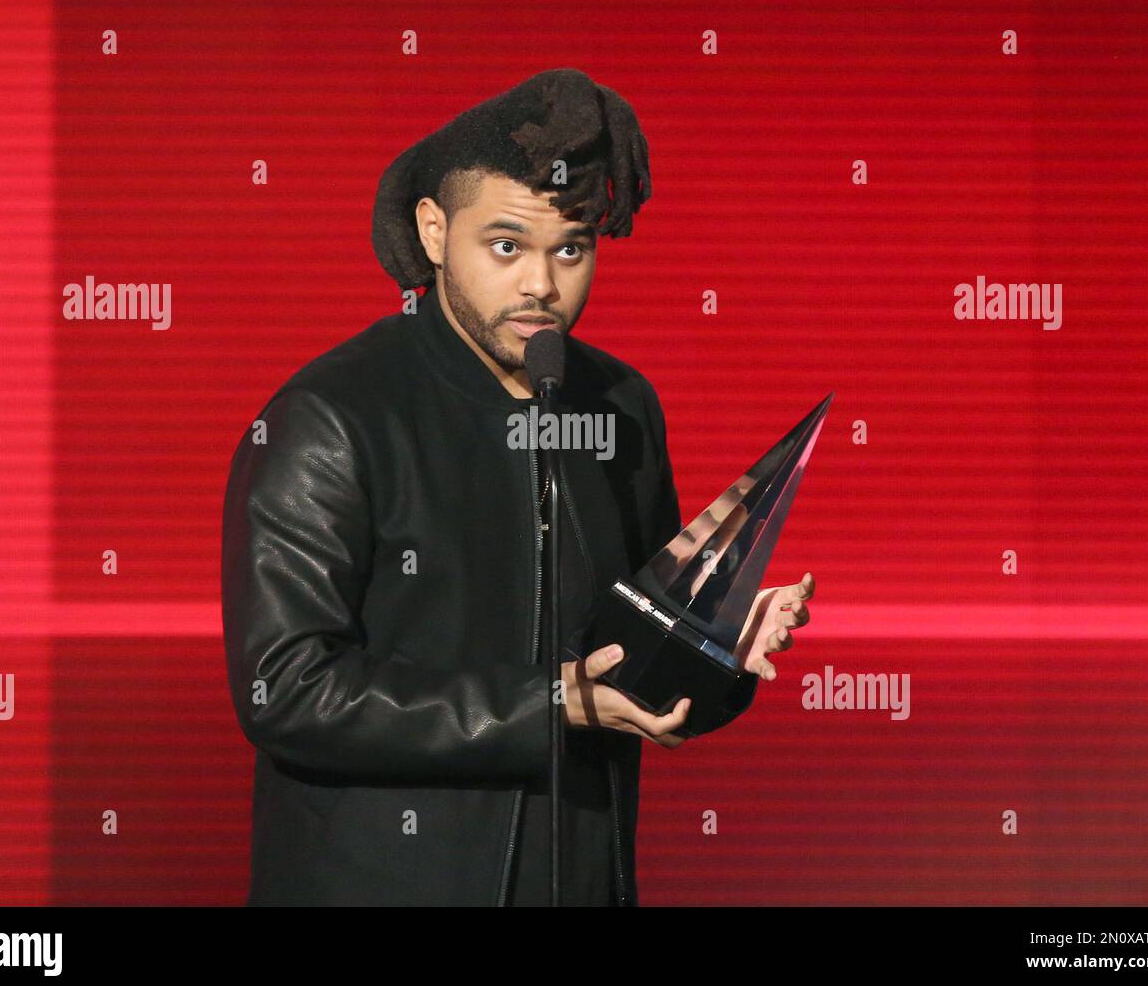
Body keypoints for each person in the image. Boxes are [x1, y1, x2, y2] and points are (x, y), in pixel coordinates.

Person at [221, 67, 814, 906]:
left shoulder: (619, 407)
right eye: (505, 247)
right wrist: (549, 706)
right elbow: (284, 690)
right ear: (434, 233)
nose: (541, 283)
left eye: (570, 248)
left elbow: (633, 670)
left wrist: (717, 651)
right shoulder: (332, 417)